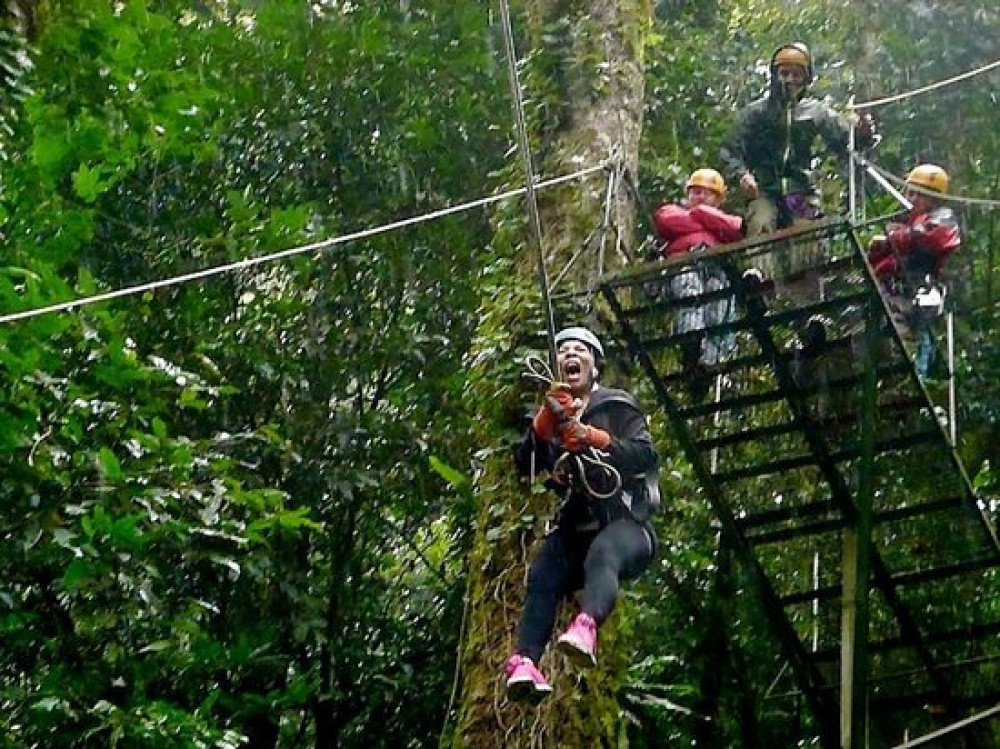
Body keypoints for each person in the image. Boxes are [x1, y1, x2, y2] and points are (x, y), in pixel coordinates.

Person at [504, 327, 659, 703]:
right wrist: (543, 425)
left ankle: (586, 626)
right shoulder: (553, 414)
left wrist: (594, 437)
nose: (571, 355)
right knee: (543, 574)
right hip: (576, 527)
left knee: (603, 555)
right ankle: (525, 661)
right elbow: (526, 465)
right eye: (564, 351)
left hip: (625, 525)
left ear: (593, 365)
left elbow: (645, 455)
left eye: (580, 350)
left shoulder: (616, 405)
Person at [719, 42, 874, 238]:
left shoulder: (817, 112)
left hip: (800, 191)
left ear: (806, 78)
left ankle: (808, 269)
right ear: (774, 75)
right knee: (760, 224)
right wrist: (742, 175)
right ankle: (760, 270)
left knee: (808, 236)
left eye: (796, 74)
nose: (789, 80)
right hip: (764, 191)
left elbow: (846, 141)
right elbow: (729, 150)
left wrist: (861, 130)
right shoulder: (755, 113)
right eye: (784, 73)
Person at [867, 164, 959, 379]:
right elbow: (879, 262)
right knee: (884, 347)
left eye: (920, 194)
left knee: (913, 349)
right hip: (892, 294)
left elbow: (934, 237)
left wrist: (891, 240)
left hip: (918, 294)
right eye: (910, 193)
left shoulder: (942, 218)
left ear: (934, 198)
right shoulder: (903, 225)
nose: (913, 199)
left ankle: (912, 380)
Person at [651, 168, 744, 380]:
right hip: (685, 265)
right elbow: (665, 220)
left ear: (718, 199)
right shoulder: (671, 211)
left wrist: (699, 216)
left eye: (706, 193)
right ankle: (692, 340)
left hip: (716, 271)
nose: (699, 197)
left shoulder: (725, 220)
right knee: (689, 291)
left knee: (716, 305)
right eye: (695, 192)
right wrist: (706, 218)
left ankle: (708, 362)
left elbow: (737, 229)